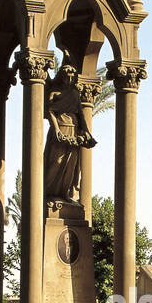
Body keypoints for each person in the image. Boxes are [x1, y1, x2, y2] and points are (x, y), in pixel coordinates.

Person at [44, 63, 97, 203]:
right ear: (61, 76)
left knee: (71, 165)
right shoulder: (53, 94)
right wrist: (56, 129)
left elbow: (81, 115)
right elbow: (49, 111)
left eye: (71, 76)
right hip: (60, 129)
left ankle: (64, 193)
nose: (69, 79)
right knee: (57, 161)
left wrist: (86, 132)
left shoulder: (74, 94)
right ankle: (49, 193)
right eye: (66, 76)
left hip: (73, 131)